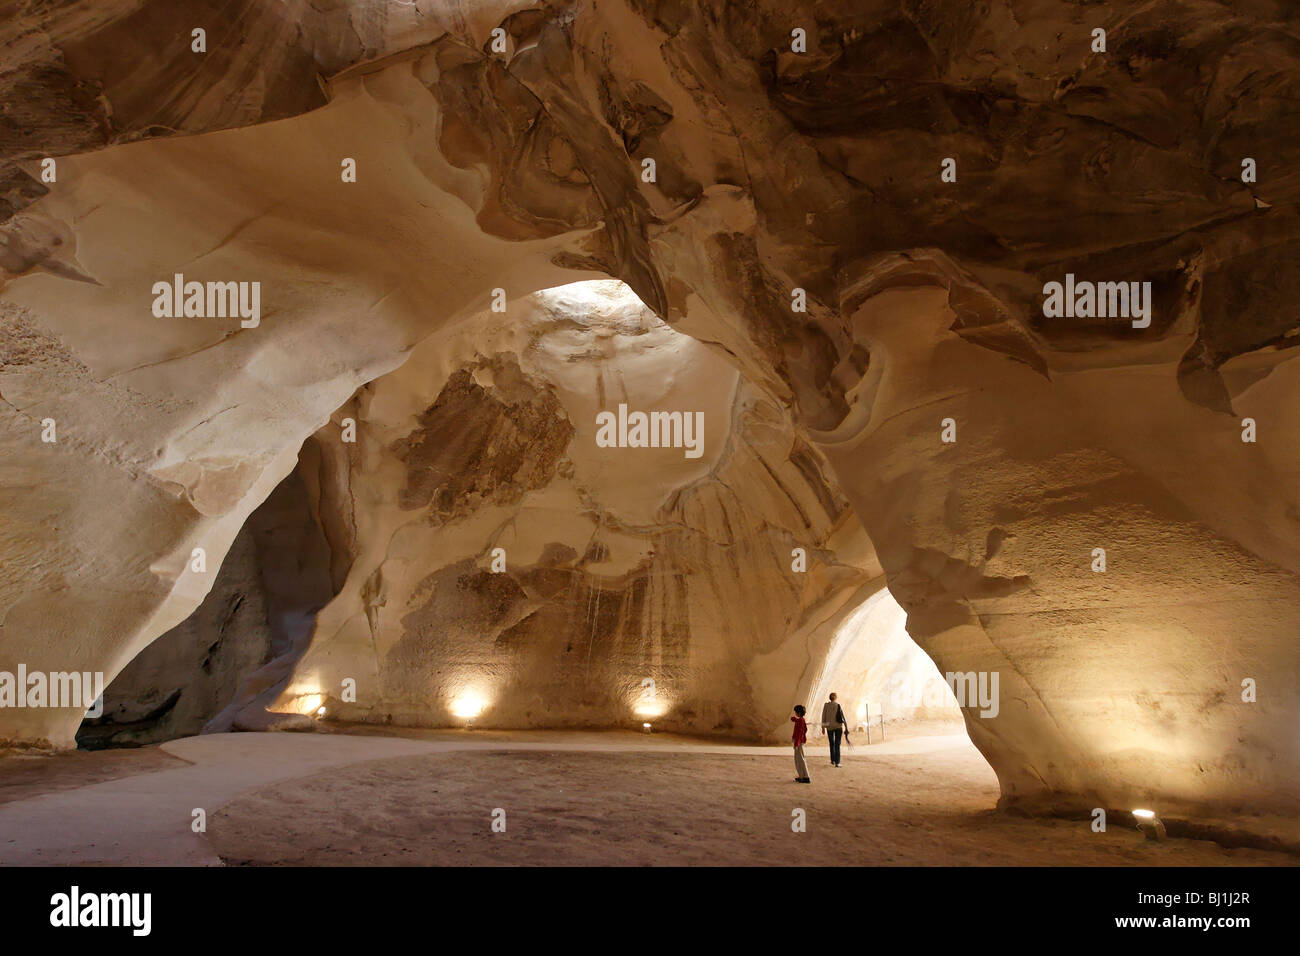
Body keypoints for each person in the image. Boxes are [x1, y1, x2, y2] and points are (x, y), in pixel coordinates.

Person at [821, 692, 849, 767]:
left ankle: (832, 760)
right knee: (837, 744)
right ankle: (837, 762)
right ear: (836, 698)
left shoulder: (826, 705)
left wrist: (823, 727)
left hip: (829, 727)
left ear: (829, 698)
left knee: (831, 744)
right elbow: (842, 716)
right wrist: (846, 727)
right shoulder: (838, 705)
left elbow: (823, 716)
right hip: (838, 727)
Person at [791, 704, 810, 783]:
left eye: (796, 712)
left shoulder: (801, 721)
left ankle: (804, 777)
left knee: (799, 759)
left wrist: (797, 743)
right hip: (800, 741)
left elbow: (800, 732)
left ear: (798, 713)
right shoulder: (801, 720)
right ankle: (803, 776)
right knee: (800, 758)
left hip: (798, 742)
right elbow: (805, 729)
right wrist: (795, 719)